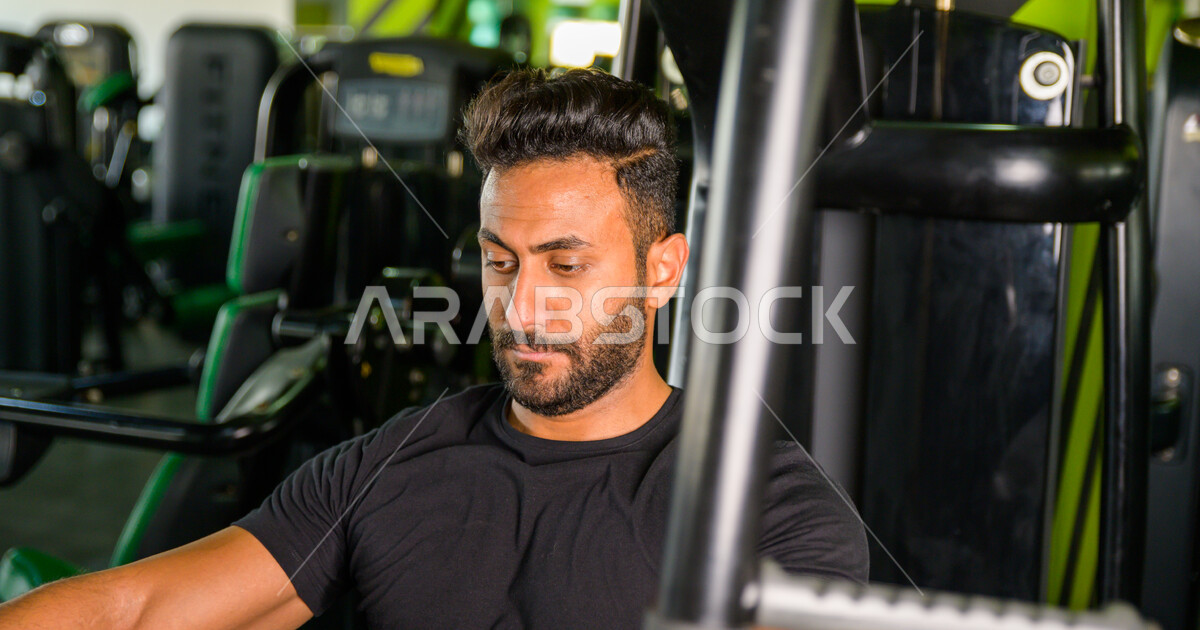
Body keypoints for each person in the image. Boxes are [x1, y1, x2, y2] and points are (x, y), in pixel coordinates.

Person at [0, 68, 867, 630]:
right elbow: (133, 611)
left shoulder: (774, 518)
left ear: (664, 269)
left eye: (567, 265)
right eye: (500, 262)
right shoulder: (397, 459)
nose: (522, 306)